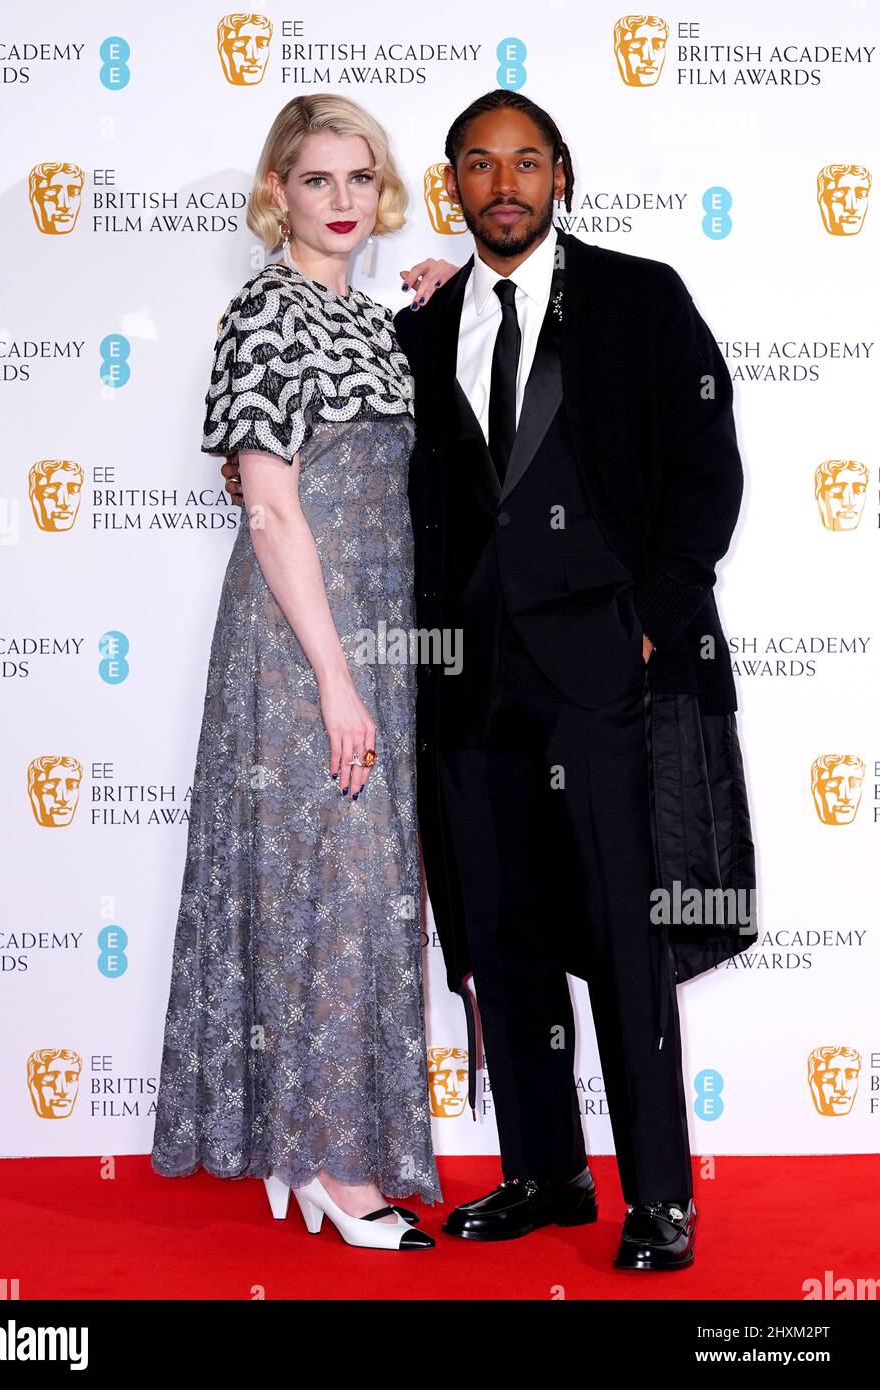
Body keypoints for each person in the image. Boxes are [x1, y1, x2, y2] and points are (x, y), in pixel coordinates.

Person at [390, 89, 756, 1270]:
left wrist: (652, 620)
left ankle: (658, 1197)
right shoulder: (424, 328)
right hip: (471, 685)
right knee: (505, 935)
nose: (504, 183)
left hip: (603, 678)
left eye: (525, 162)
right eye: (480, 166)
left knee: (622, 935)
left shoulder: (640, 300)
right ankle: (542, 1175)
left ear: (561, 174)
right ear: (454, 185)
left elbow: (707, 473)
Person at [150, 93, 460, 1252]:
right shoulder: (265, 314)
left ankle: (311, 1140)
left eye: (359, 179)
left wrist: (439, 303)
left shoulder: (373, 321)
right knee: (335, 886)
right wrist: (335, 678)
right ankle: (331, 1162)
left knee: (358, 888)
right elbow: (273, 513)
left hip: (373, 633)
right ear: (276, 189)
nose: (341, 203)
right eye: (317, 180)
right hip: (302, 643)